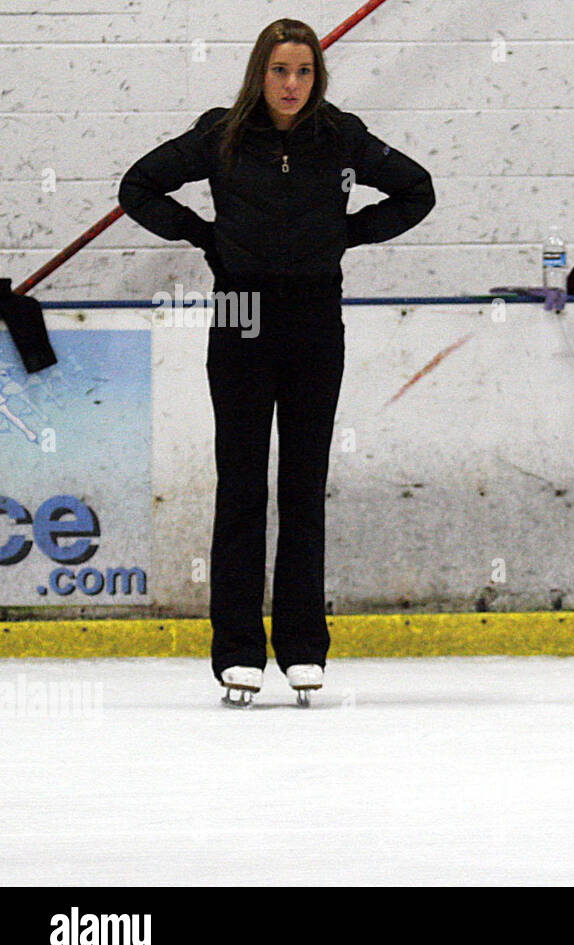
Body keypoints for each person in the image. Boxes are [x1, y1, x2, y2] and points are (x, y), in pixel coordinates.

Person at [119, 19, 434, 705]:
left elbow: (418, 191)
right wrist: (205, 236)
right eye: (280, 70)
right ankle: (237, 648)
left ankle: (301, 645)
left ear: (317, 77)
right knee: (241, 484)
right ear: (259, 72)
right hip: (239, 313)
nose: (292, 85)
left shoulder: (341, 135)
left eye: (304, 72)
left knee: (302, 484)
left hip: (315, 315)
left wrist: (347, 234)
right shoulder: (221, 134)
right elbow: (138, 187)